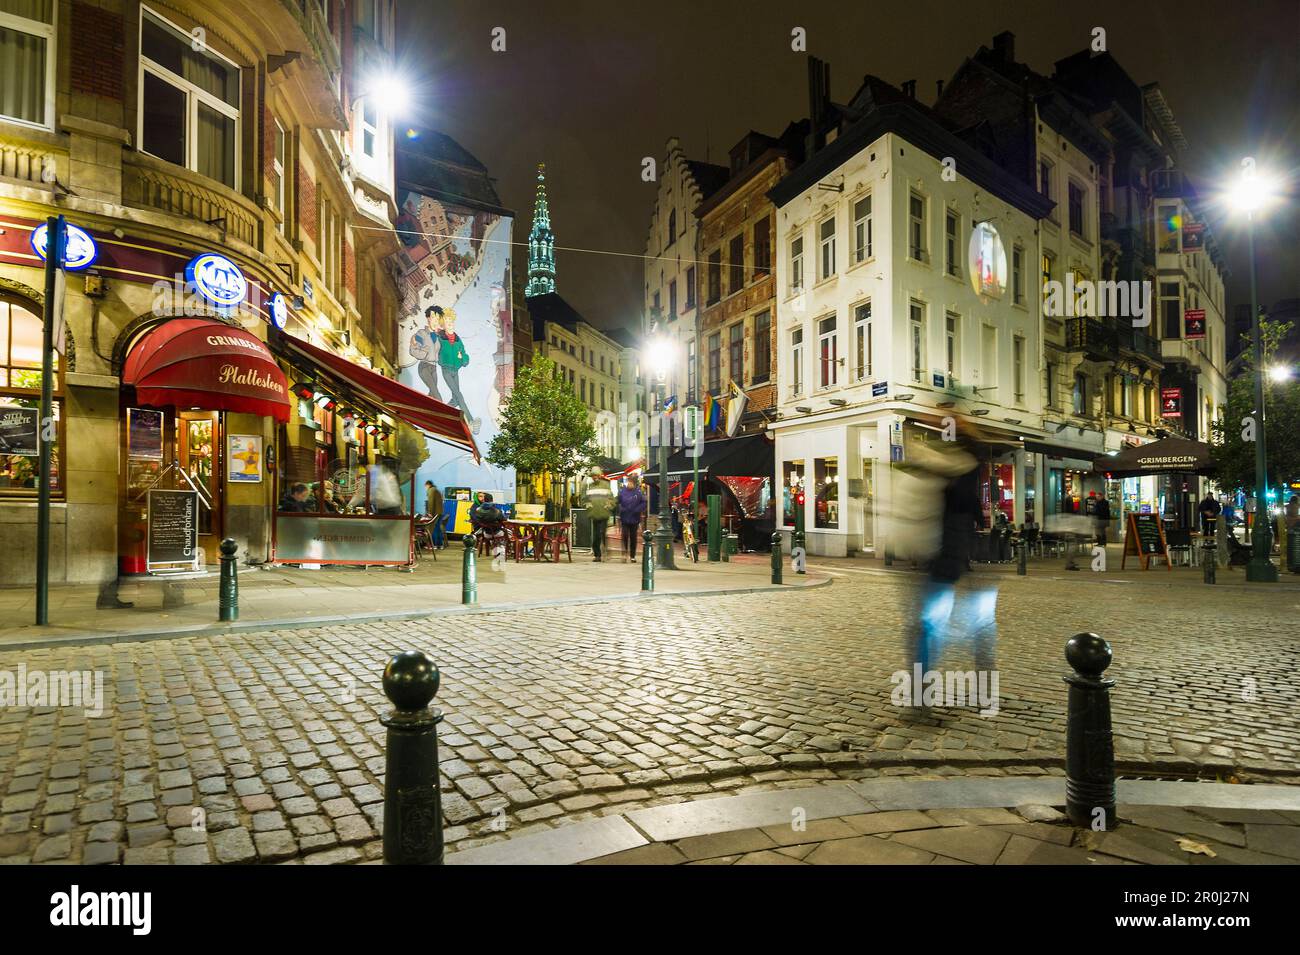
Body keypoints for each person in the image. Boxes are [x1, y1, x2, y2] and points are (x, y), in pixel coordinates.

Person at [435, 306, 478, 433]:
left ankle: (439, 418)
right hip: (446, 370)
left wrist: (462, 358)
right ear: (443, 325)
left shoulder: (458, 340)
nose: (450, 324)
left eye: (451, 322)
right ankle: (471, 422)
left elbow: (464, 355)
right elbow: (436, 351)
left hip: (456, 370)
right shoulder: (440, 338)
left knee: (455, 399)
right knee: (459, 395)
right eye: (448, 322)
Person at [410, 306, 443, 400]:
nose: (436, 320)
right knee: (437, 396)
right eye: (433, 317)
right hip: (424, 367)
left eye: (438, 318)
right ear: (428, 318)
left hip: (434, 368)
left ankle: (419, 406)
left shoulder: (438, 337)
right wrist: (424, 353)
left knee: (432, 395)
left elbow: (439, 352)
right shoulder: (421, 334)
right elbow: (413, 350)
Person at [583, 471, 615, 562]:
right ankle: (597, 554)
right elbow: (585, 499)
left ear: (599, 475)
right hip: (594, 514)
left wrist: (608, 506)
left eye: (596, 475)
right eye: (593, 476)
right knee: (596, 535)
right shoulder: (590, 486)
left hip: (604, 514)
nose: (594, 477)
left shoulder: (605, 485)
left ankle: (604, 551)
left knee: (602, 534)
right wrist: (588, 506)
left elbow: (611, 499)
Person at [617, 475, 647, 563]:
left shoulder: (638, 492)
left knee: (633, 537)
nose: (629, 484)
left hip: (634, 518)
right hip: (625, 517)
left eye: (631, 483)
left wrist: (637, 510)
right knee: (625, 536)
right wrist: (621, 509)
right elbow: (618, 502)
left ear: (634, 484)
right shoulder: (622, 492)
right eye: (628, 482)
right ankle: (624, 553)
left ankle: (632, 556)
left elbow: (644, 503)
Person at [425, 480, 446, 548]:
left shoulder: (431, 490)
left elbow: (431, 502)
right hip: (439, 512)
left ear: (428, 485)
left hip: (435, 513)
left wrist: (430, 513)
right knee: (438, 528)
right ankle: (439, 544)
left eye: (425, 486)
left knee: (433, 528)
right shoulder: (435, 490)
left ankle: (434, 544)